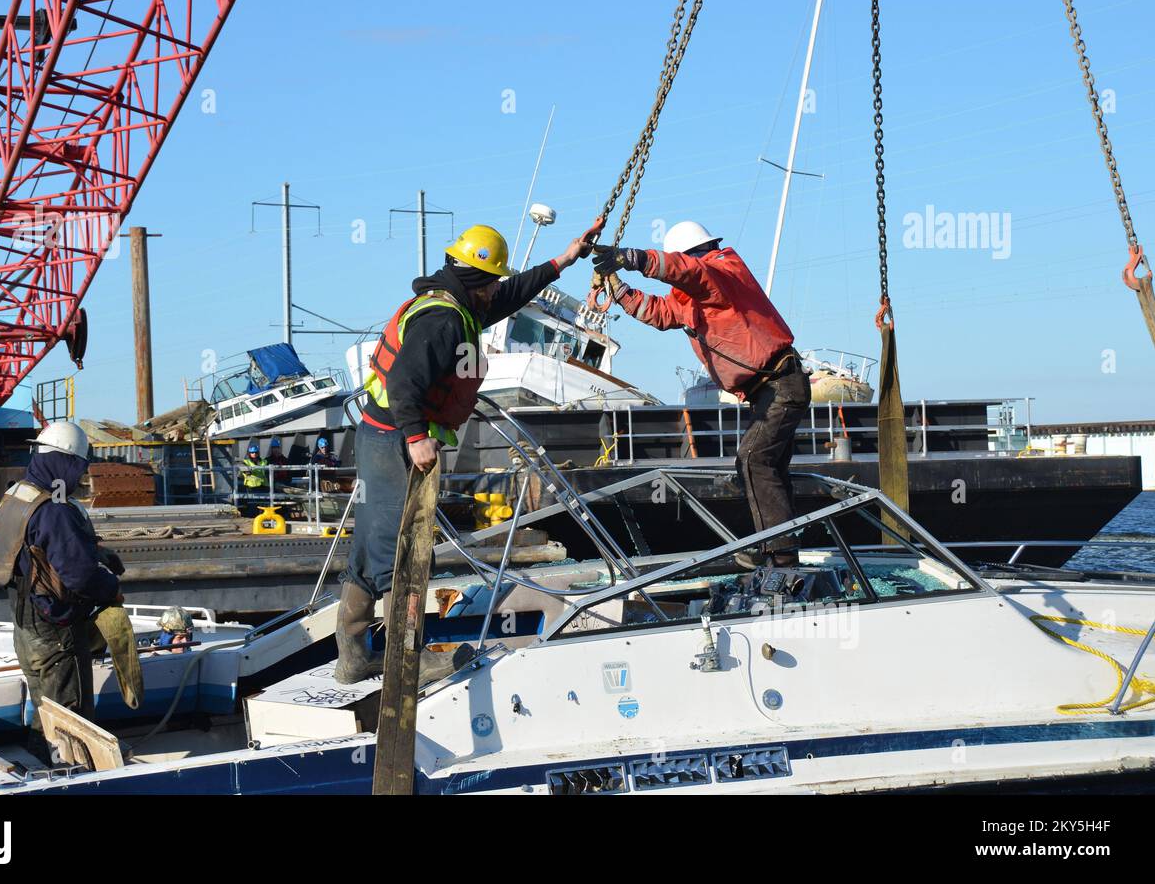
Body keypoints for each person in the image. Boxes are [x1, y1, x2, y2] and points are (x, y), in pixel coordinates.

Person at [334, 219, 598, 684]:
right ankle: (406, 665)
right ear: (478, 280)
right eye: (492, 280)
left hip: (380, 436)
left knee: (371, 545)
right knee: (406, 552)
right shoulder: (444, 320)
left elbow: (512, 294)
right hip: (396, 442)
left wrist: (564, 259)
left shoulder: (456, 304)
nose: (497, 288)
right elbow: (404, 382)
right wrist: (417, 438)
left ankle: (354, 657)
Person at [593, 220, 811, 568]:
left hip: (780, 384)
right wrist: (619, 289)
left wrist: (633, 258)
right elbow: (661, 313)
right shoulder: (690, 294)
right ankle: (777, 551)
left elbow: (691, 272)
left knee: (753, 459)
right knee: (766, 467)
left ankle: (780, 557)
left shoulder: (724, 270)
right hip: (768, 391)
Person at [0, 421, 125, 756]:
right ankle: (68, 774)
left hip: (25, 624)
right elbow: (80, 576)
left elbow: (34, 549)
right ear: (66, 461)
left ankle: (40, 762)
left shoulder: (18, 494)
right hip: (56, 629)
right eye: (79, 467)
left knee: (45, 706)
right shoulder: (54, 509)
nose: (80, 476)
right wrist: (111, 588)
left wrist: (95, 551)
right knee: (69, 717)